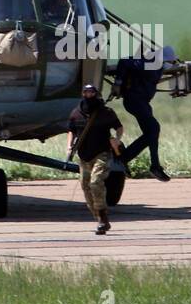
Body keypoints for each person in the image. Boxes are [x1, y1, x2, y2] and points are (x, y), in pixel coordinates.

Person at [112, 45, 175, 182]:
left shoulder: (156, 66)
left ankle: (125, 159)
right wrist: (117, 83)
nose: (167, 65)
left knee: (151, 132)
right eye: (166, 62)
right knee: (154, 128)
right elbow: (124, 62)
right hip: (134, 100)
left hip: (143, 102)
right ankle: (152, 165)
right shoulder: (146, 63)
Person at [68, 84, 124, 235]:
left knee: (96, 182)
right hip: (84, 156)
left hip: (102, 153)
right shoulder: (76, 113)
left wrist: (117, 140)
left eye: (91, 92)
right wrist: (69, 147)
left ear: (96, 93)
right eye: (86, 92)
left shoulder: (105, 112)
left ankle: (103, 218)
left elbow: (119, 127)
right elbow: (72, 131)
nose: (88, 94)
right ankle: (99, 218)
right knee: (86, 186)